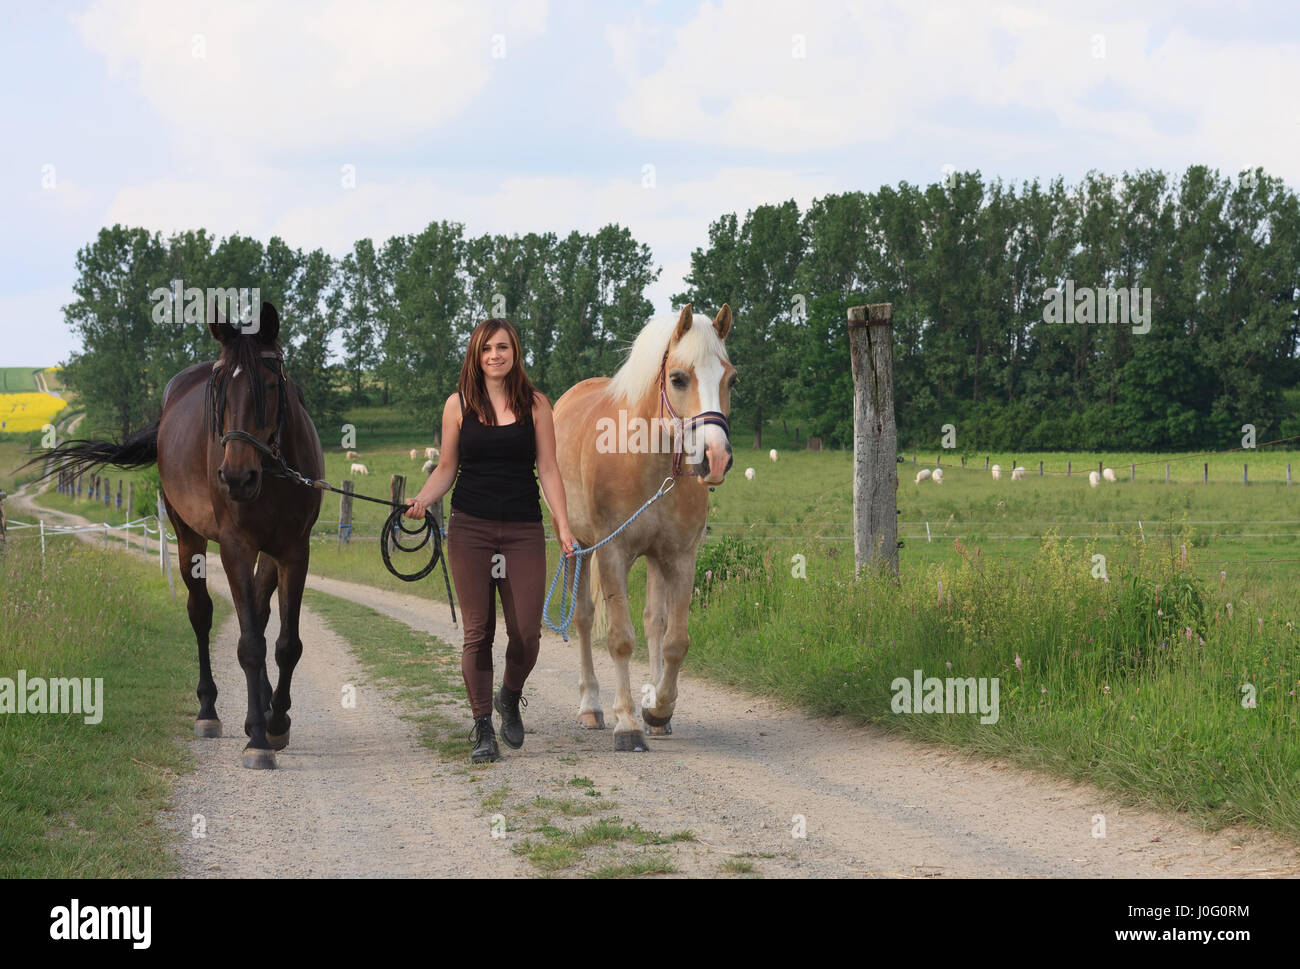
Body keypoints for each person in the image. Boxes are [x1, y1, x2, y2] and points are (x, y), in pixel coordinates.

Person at [405, 319, 577, 763]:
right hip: (471, 528)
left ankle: (509, 695)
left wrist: (562, 524)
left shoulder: (537, 405)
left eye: (503, 347)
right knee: (478, 633)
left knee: (526, 633)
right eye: (486, 349)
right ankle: (483, 728)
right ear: (476, 356)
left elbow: (550, 469)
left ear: (514, 352)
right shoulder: (457, 405)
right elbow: (446, 467)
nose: (495, 355)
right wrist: (422, 500)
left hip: (522, 529)